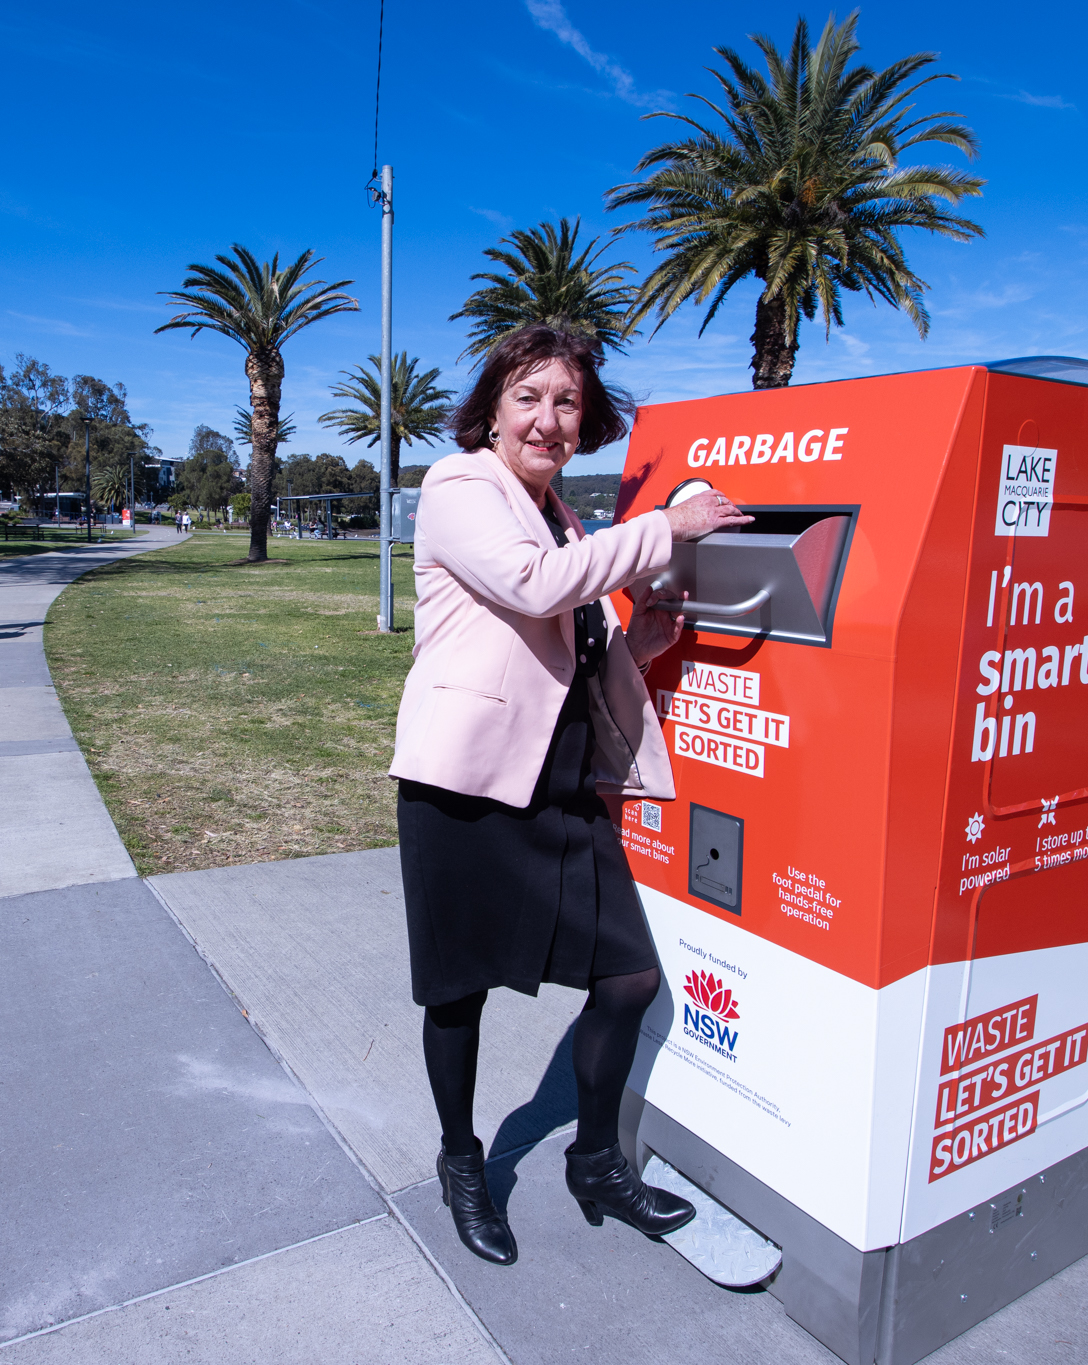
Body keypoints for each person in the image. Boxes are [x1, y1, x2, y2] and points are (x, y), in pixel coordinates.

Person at [390, 324, 750, 1266]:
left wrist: (644, 642)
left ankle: (594, 1161)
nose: (549, 419)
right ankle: (463, 1160)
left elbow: (568, 650)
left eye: (567, 403)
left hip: (558, 785)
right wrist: (668, 525)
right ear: (494, 410)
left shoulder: (565, 518)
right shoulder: (460, 486)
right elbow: (531, 586)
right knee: (461, 994)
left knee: (628, 975)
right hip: (465, 786)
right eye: (530, 397)